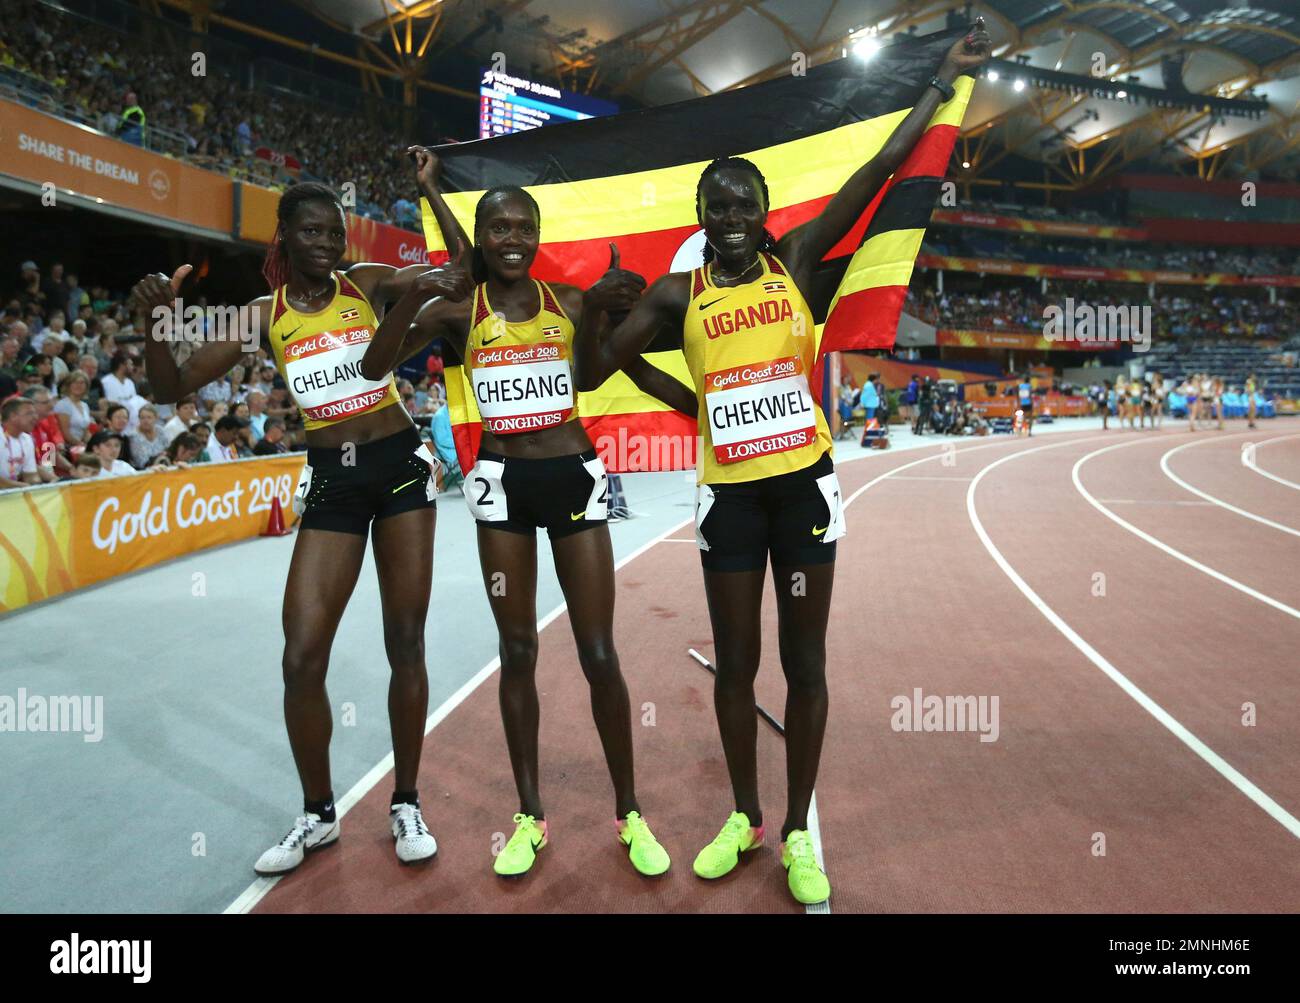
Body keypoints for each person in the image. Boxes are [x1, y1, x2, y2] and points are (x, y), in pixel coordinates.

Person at [571, 22, 992, 905]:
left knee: (806, 666)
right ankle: (745, 815)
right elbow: (592, 373)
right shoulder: (674, 294)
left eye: (743, 206)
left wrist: (942, 86)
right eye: (716, 208)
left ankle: (799, 829)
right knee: (734, 667)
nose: (731, 220)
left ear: (764, 214)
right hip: (729, 504)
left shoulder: (797, 262)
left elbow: (875, 173)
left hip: (801, 492)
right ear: (700, 218)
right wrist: (593, 313)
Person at [129, 175, 473, 876]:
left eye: (334, 231)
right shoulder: (263, 314)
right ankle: (318, 813)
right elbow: (171, 386)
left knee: (404, 638)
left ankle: (406, 800)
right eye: (311, 231)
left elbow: (461, 273)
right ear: (284, 236)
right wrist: (154, 323)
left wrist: (434, 191)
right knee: (300, 655)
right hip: (333, 480)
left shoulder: (369, 282)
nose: (326, 243)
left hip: (398, 462)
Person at [372, 145, 697, 879]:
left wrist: (608, 309)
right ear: (482, 238)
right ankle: (529, 814)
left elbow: (588, 375)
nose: (512, 239)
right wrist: (419, 291)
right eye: (499, 229)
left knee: (598, 650)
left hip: (573, 476)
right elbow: (373, 364)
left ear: (537, 235)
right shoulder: (458, 309)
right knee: (517, 650)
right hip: (501, 488)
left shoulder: (569, 301)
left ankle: (631, 813)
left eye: (524, 227)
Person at [1016, 372, 1033, 436]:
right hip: (1028, 403)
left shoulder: (1020, 386)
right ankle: (1029, 432)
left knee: (1022, 417)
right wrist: (1032, 403)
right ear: (1029, 380)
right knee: (1030, 417)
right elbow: (1030, 395)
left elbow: (1018, 395)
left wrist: (1018, 402)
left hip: (1022, 403)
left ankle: (1019, 429)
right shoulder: (1029, 386)